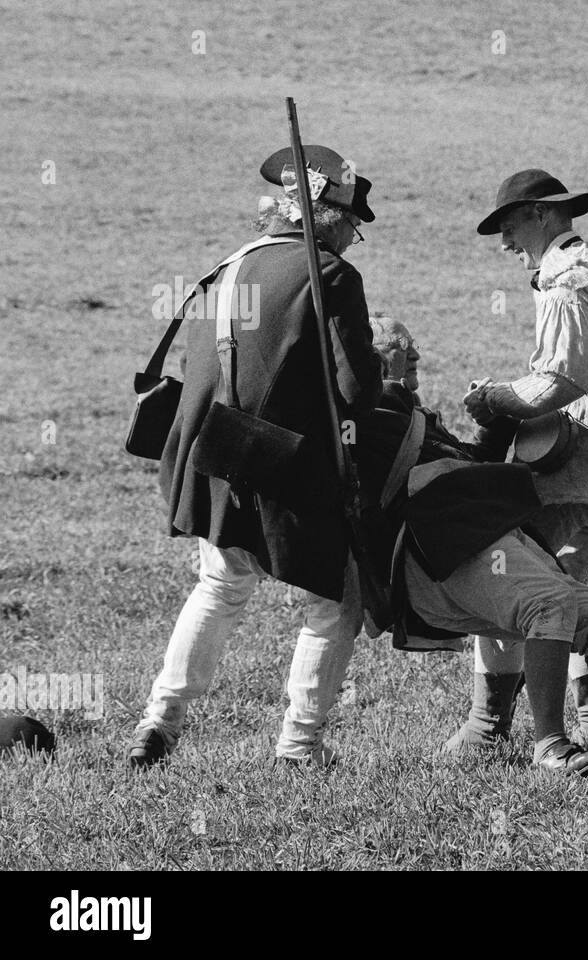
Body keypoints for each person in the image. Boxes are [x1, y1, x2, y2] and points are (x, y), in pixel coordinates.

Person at [127, 145, 383, 768]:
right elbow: (357, 392)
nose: (354, 235)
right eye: (351, 222)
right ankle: (299, 746)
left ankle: (159, 721)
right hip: (286, 460)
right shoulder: (332, 277)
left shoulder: (228, 267)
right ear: (323, 214)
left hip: (211, 451)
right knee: (337, 599)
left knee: (219, 583)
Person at [353, 380, 588, 773]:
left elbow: (478, 458)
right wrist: (503, 396)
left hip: (492, 535)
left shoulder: (414, 415)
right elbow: (564, 373)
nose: (413, 355)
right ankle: (548, 746)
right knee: (548, 603)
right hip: (442, 549)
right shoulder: (369, 416)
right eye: (399, 347)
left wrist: (500, 414)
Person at [444, 169, 588, 754]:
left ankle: (488, 728)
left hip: (571, 463)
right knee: (569, 587)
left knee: (522, 586)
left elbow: (564, 377)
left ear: (540, 214)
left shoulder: (565, 280)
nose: (506, 243)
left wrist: (495, 398)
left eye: (510, 226)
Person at [370, 315, 422, 400]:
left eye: (412, 345)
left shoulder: (417, 409)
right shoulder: (362, 410)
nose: (415, 356)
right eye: (403, 345)